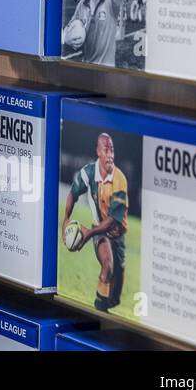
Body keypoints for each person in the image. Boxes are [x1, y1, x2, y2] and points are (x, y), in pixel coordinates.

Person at [62, 132, 129, 313]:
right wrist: (66, 219)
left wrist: (86, 234)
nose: (110, 155)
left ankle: (106, 303)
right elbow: (72, 194)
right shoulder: (88, 173)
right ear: (98, 151)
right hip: (100, 231)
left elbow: (113, 221)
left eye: (112, 150)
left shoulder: (119, 180)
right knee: (107, 265)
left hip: (117, 233)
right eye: (106, 150)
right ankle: (99, 311)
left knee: (114, 296)